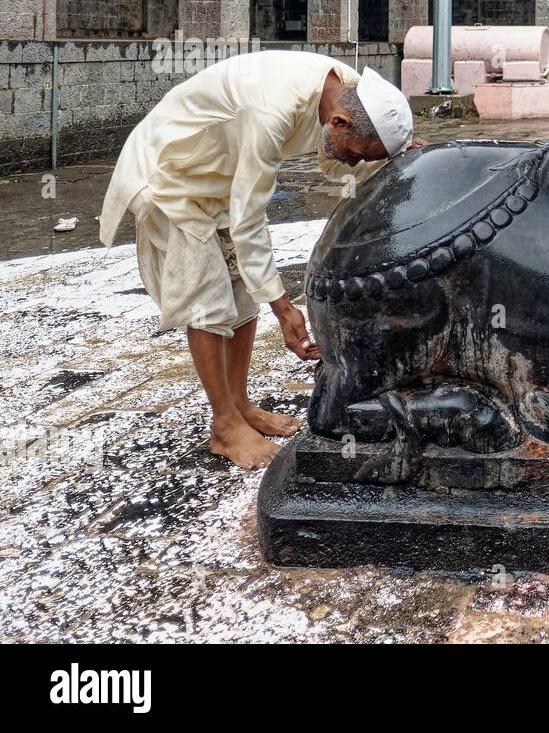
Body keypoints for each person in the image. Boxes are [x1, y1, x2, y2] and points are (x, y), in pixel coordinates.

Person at [99, 51, 418, 468]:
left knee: (242, 297)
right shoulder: (271, 111)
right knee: (208, 302)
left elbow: (332, 160)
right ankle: (225, 426)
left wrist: (405, 154)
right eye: (357, 153)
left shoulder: (348, 91)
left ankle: (241, 406)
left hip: (224, 177)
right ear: (339, 122)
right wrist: (284, 308)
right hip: (172, 174)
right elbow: (249, 220)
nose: (353, 163)